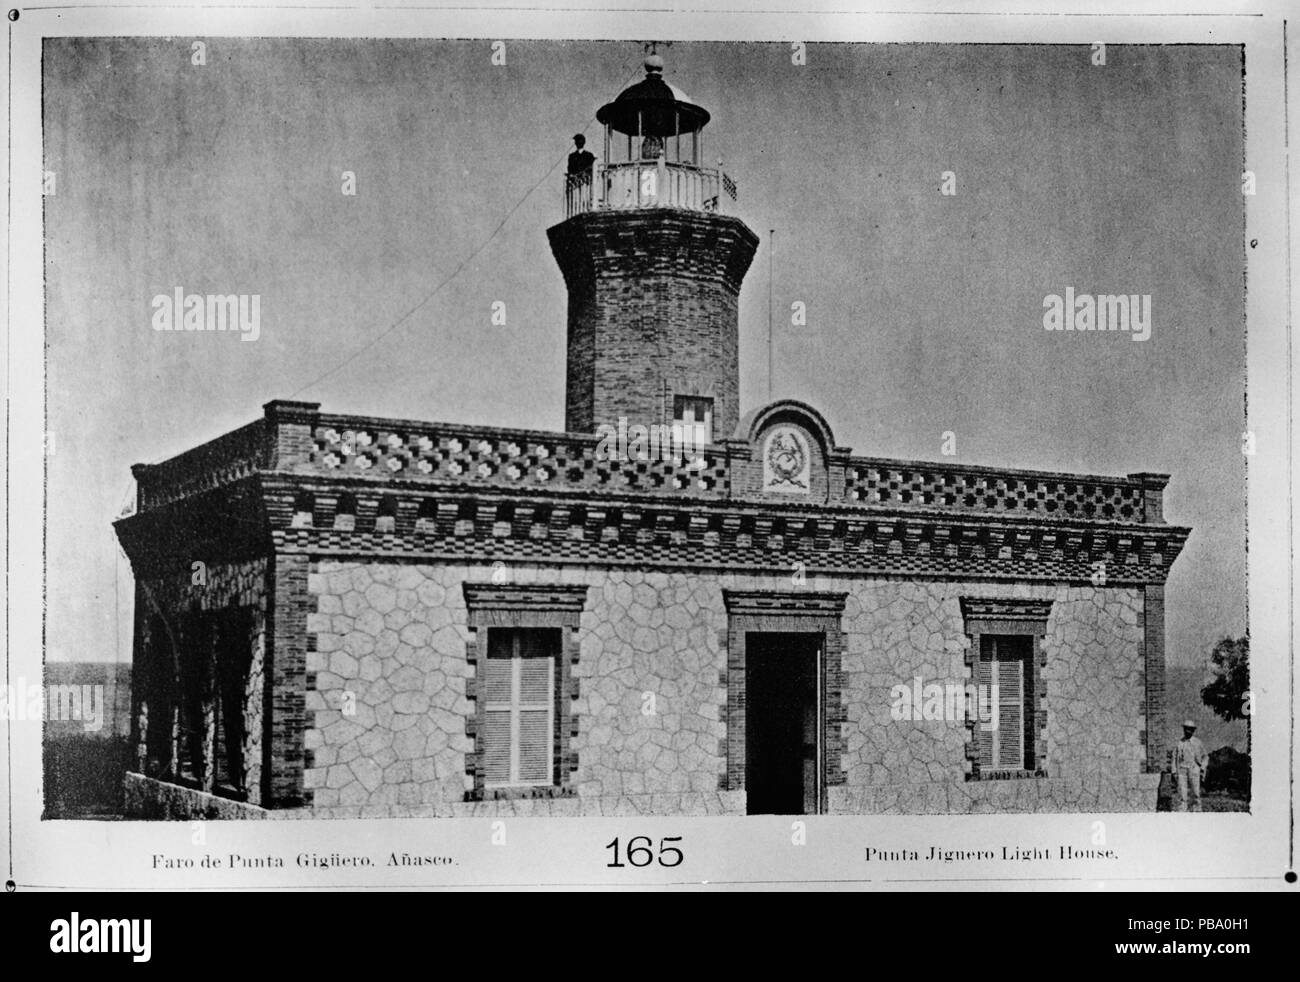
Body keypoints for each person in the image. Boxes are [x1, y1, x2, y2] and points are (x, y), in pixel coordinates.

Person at [1170, 719, 1208, 812]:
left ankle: (1196, 813)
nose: (1188, 731)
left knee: (1195, 793)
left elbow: (1205, 756)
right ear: (1184, 729)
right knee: (1182, 794)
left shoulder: (1198, 742)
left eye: (1190, 729)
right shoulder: (1180, 743)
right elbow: (1174, 757)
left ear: (1193, 730)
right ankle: (1182, 813)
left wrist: (1202, 767)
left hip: (1194, 769)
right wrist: (1174, 771)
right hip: (1182, 769)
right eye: (1186, 729)